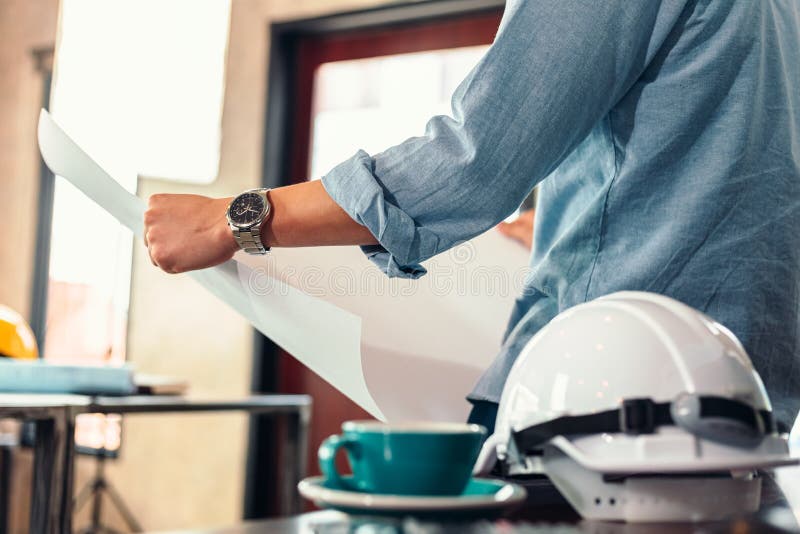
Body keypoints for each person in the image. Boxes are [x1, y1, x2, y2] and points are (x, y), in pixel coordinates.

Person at [143, 1, 800, 432]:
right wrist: (562, 224)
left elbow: (472, 164)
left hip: (605, 401)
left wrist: (236, 220)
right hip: (750, 405)